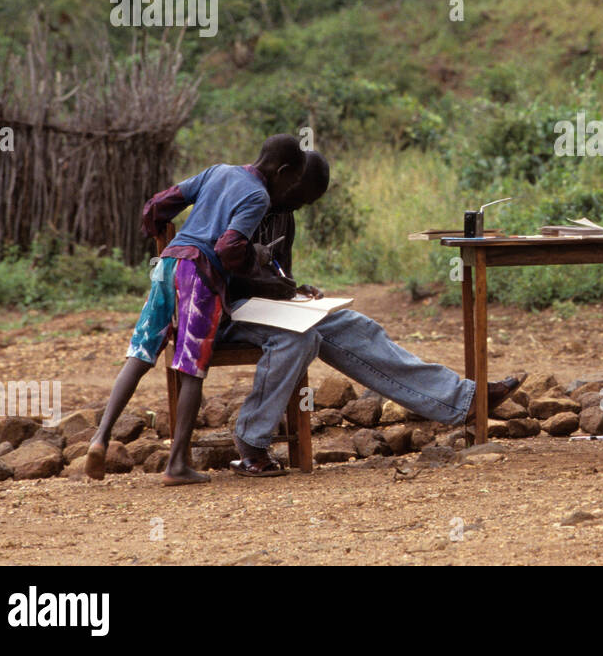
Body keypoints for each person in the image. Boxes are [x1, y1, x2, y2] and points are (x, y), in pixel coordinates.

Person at [224, 150, 523, 476]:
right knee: (300, 337)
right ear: (285, 178)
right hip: (227, 310)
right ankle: (251, 443)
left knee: (355, 326)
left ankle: (462, 402)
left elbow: (278, 271)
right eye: (299, 197)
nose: (300, 207)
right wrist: (269, 287)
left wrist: (293, 288)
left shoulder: (284, 212)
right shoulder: (243, 202)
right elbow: (217, 269)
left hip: (269, 307)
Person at [87, 134, 306, 485]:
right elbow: (228, 248)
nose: (289, 188)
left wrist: (160, 233)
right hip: (198, 277)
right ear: (281, 171)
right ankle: (176, 465)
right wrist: (258, 256)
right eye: (291, 180)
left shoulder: (217, 171)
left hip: (167, 264)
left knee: (141, 354)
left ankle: (99, 438)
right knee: (192, 369)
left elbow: (158, 204)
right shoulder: (258, 196)